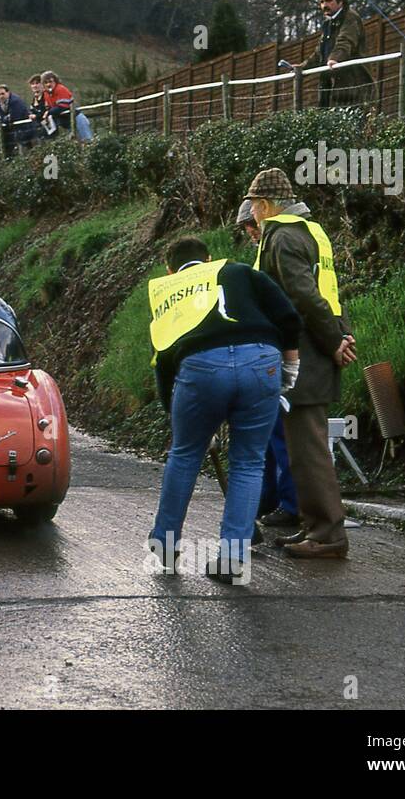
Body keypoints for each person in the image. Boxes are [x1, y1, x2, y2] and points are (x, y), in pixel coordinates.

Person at [147, 235, 302, 584]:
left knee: (185, 454)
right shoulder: (237, 270)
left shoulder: (168, 290)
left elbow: (163, 359)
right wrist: (290, 367)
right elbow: (289, 316)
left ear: (170, 268)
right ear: (209, 258)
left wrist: (172, 408)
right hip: (261, 359)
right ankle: (232, 558)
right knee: (248, 461)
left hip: (201, 367)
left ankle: (165, 544)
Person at [248, 168, 357, 559]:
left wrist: (332, 343)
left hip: (304, 355)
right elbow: (329, 293)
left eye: (254, 208)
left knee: (308, 450)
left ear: (263, 205)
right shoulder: (312, 231)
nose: (254, 217)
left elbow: (304, 298)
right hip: (319, 348)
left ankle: (328, 535)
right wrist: (342, 336)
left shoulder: (279, 235)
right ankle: (315, 527)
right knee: (301, 447)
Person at [237, 199, 300, 527]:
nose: (249, 232)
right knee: (271, 436)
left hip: (279, 356)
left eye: (250, 225)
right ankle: (270, 501)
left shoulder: (280, 246)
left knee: (282, 434)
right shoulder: (268, 250)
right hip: (270, 355)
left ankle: (290, 504)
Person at [300, 0, 374, 108]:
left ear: (340, 1)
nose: (324, 5)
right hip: (330, 86)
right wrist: (301, 67)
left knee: (353, 122)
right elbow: (319, 52)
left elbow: (346, 41)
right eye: (322, 2)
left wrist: (335, 58)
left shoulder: (350, 18)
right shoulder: (328, 23)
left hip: (352, 84)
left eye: (329, 1)